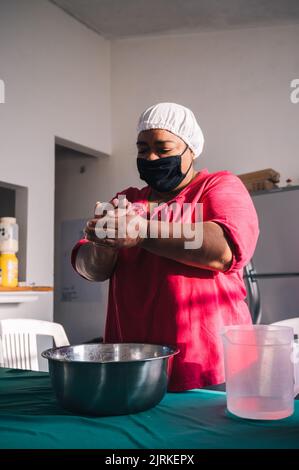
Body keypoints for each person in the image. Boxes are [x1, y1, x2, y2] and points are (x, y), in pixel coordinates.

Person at [71, 102, 259, 392]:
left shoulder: (216, 187)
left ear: (190, 149)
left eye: (164, 148)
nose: (152, 157)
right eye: (142, 149)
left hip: (209, 367)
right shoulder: (127, 199)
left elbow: (224, 250)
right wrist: (103, 244)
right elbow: (90, 268)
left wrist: (142, 231)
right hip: (134, 365)